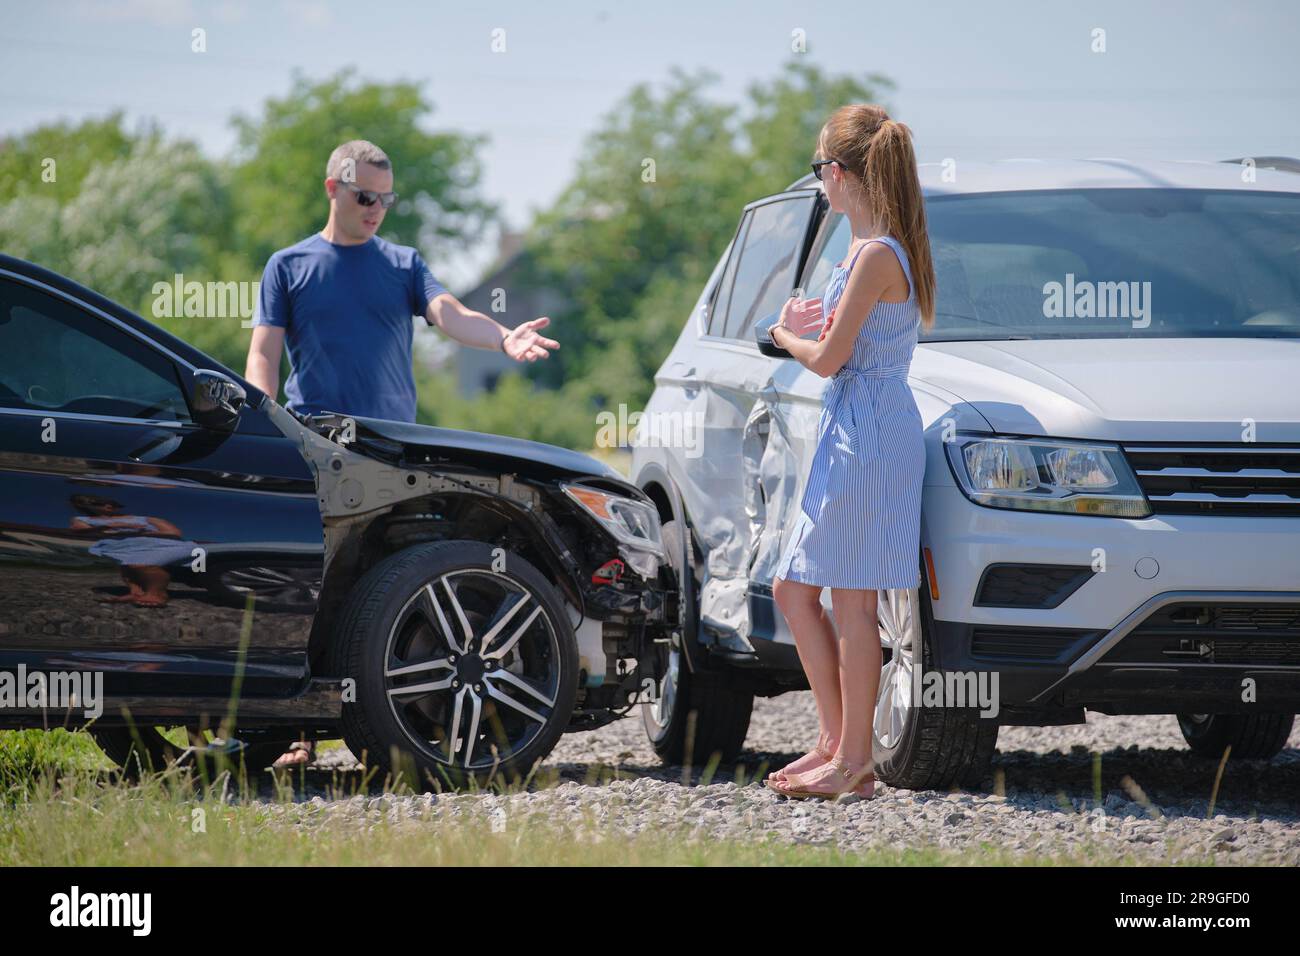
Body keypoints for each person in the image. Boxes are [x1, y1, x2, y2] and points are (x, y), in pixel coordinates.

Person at [243, 139, 561, 767]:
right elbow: (264, 353)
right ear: (333, 188)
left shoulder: (402, 263)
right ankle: (296, 735)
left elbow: (450, 313)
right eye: (366, 197)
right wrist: (261, 416)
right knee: (312, 583)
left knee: (385, 585)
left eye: (386, 199)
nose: (377, 209)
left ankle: (384, 728)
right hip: (314, 447)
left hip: (394, 455)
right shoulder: (288, 265)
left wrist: (501, 338)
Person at [762, 105, 936, 800]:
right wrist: (812, 325)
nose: (820, 185)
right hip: (858, 427)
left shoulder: (875, 253)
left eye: (819, 171)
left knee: (852, 603)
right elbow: (845, 338)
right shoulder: (870, 250)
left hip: (868, 431)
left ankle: (855, 763)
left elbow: (831, 360)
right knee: (794, 588)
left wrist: (784, 336)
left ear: (837, 174)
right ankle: (836, 742)